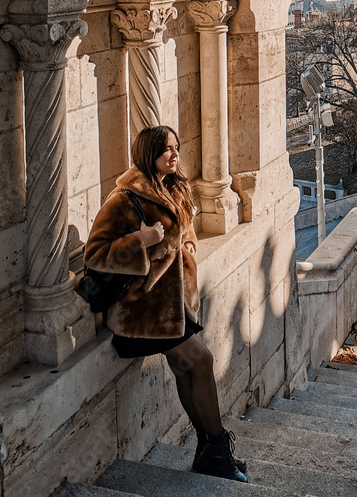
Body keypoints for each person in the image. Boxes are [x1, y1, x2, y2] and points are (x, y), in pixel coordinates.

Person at [84, 125, 248, 483]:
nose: (174, 155)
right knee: (200, 359)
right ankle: (217, 450)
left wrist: (186, 249)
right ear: (148, 154)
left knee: (186, 369)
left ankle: (209, 451)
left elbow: (185, 234)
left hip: (175, 308)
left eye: (176, 148)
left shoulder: (174, 186)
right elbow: (94, 255)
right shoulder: (124, 198)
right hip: (143, 314)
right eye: (166, 151)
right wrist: (139, 241)